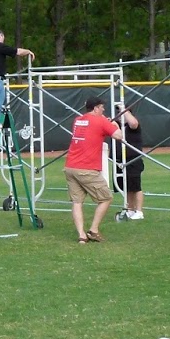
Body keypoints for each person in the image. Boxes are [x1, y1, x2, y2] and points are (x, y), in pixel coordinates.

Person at [65, 96, 122, 244]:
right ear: (96, 108)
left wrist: (104, 121)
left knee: (77, 202)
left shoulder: (78, 120)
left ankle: (81, 235)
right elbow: (118, 136)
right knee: (106, 198)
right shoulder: (101, 121)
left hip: (71, 166)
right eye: (102, 107)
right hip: (87, 168)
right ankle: (94, 230)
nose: (103, 109)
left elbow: (92, 129)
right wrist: (114, 124)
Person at [117, 106, 145, 220]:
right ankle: (130, 209)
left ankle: (139, 211)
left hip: (133, 160)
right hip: (120, 160)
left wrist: (125, 109)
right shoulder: (118, 127)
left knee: (136, 186)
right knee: (126, 187)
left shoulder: (132, 126)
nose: (119, 115)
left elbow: (133, 123)